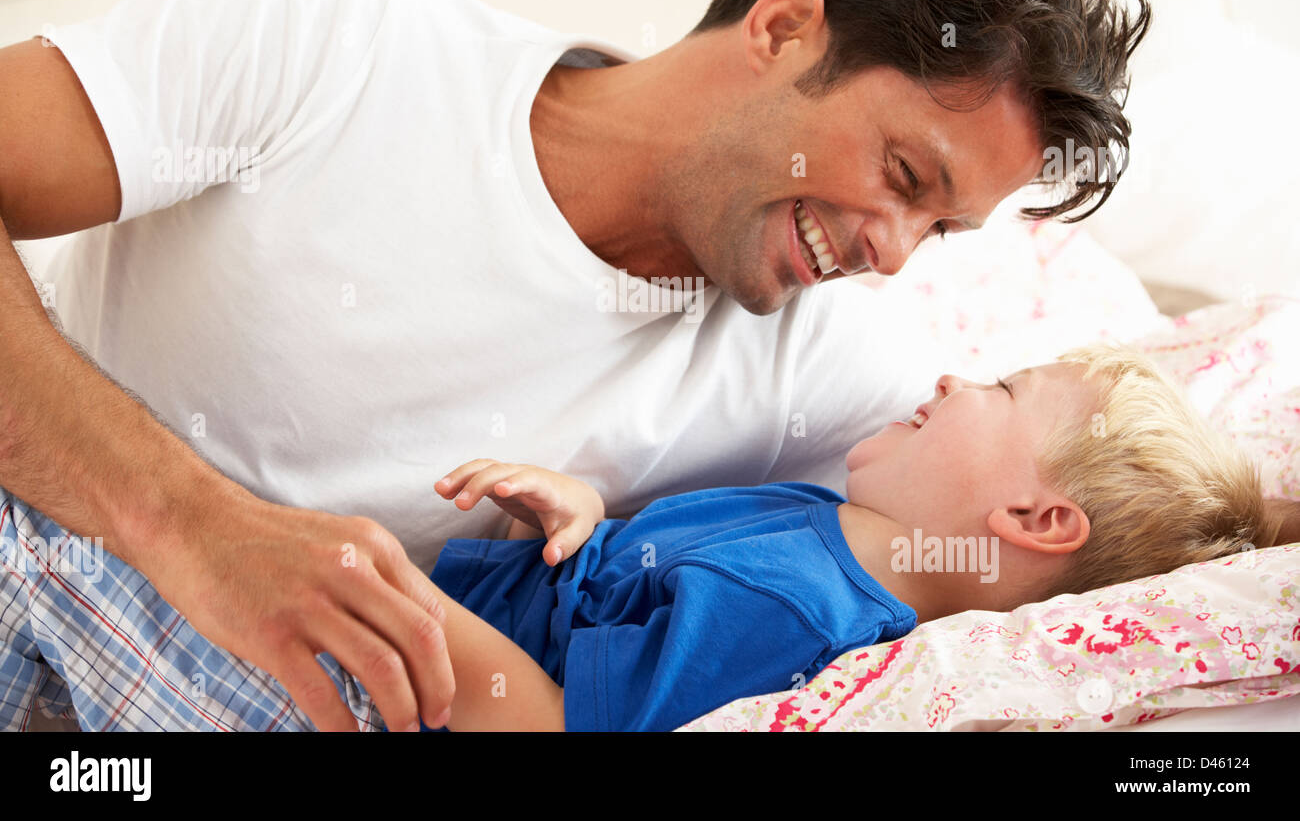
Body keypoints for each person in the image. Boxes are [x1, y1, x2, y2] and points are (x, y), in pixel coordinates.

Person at [0, 0, 1151, 731]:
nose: (895, 255)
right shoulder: (336, 35)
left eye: (940, 231)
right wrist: (188, 524)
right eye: (905, 178)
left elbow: (1090, 516)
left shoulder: (828, 369)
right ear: (784, 28)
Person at [1, 344, 1279, 730]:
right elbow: (614, 592)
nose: (952, 380)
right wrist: (574, 519)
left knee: (46, 527)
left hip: (361, 696)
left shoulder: (811, 614)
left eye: (997, 396)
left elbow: (553, 726)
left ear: (1035, 520)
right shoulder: (819, 519)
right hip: (382, 661)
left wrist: (361, 564)